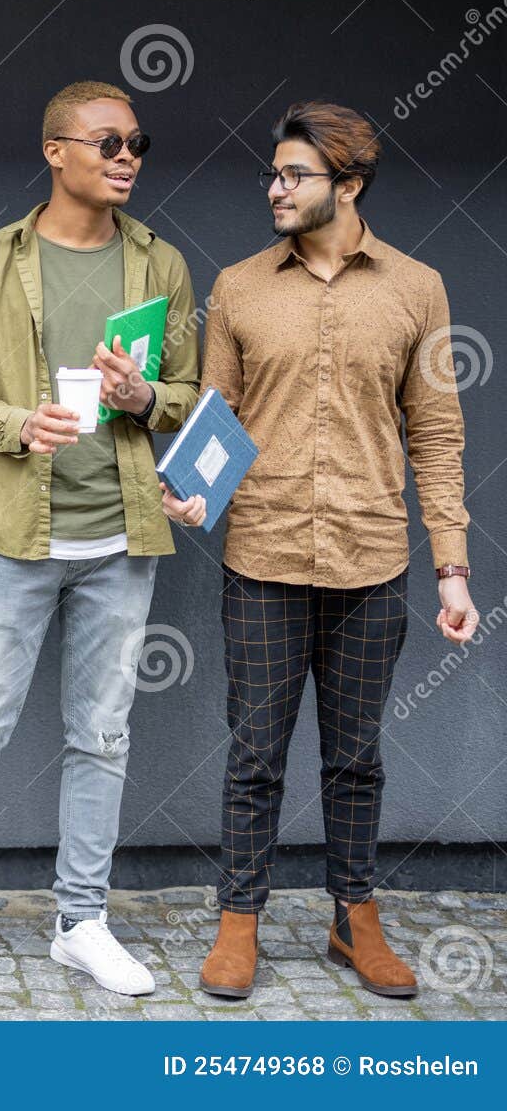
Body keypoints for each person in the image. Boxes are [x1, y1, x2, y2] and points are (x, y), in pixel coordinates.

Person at [0, 81, 199, 996]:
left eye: (138, 142)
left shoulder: (161, 264)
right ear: (55, 150)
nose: (127, 156)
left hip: (121, 538)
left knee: (103, 734)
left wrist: (145, 399)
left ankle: (81, 920)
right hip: (17, 535)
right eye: (107, 141)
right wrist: (21, 425)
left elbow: (188, 395)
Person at [171, 101, 479, 1000]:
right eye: (272, 172)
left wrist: (452, 569)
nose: (274, 186)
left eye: (293, 174)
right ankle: (240, 923)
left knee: (355, 757)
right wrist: (195, 490)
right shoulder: (236, 286)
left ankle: (355, 919)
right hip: (260, 556)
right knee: (254, 754)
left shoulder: (417, 289)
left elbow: (438, 435)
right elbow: (214, 417)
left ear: (346, 185)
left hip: (371, 561)